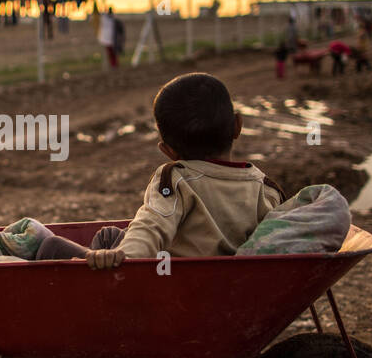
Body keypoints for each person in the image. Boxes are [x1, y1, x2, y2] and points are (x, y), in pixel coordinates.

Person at [35, 73, 286, 265]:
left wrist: (122, 258)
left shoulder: (176, 180)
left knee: (52, 247)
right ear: (237, 126)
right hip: (230, 288)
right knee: (109, 235)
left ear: (168, 151)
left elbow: (152, 227)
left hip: (165, 285)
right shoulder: (267, 190)